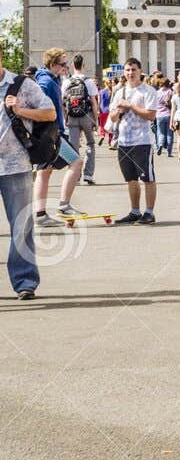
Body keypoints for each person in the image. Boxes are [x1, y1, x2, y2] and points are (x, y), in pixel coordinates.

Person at [1, 58, 55, 300]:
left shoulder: (22, 84)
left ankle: (25, 281)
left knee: (21, 226)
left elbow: (50, 112)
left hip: (16, 166)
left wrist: (20, 110)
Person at [107, 59, 159, 224]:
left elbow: (151, 115)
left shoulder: (147, 91)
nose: (130, 73)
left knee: (148, 178)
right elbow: (112, 117)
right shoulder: (119, 92)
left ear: (140, 71)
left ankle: (149, 212)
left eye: (133, 70)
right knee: (130, 179)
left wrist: (130, 106)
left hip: (141, 141)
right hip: (123, 141)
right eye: (127, 70)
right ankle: (135, 211)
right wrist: (118, 111)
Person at [30, 48, 70, 228]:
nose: (65, 67)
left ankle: (44, 212)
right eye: (63, 64)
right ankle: (61, 207)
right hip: (49, 132)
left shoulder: (51, 79)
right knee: (74, 163)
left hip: (53, 131)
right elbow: (42, 109)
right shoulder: (46, 82)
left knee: (44, 172)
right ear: (53, 65)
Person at [61, 54, 98, 186]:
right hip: (86, 116)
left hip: (72, 117)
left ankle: (75, 176)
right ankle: (88, 175)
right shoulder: (89, 82)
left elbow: (63, 103)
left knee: (74, 147)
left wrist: (65, 118)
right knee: (90, 144)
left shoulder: (66, 82)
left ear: (72, 66)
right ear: (83, 66)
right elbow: (94, 103)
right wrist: (96, 121)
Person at [154, 74, 174, 157]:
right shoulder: (171, 92)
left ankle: (160, 144)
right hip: (169, 114)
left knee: (160, 132)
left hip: (159, 115)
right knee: (170, 133)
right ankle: (169, 152)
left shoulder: (157, 93)